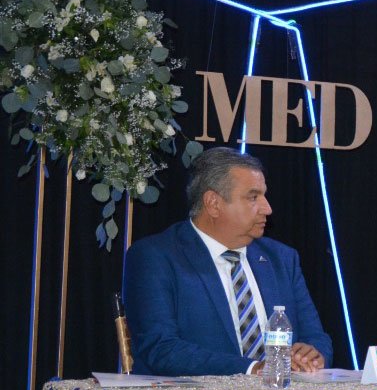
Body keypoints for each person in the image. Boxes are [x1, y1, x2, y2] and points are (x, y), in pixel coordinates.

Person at [124, 147, 333, 376]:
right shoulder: (156, 257)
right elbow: (161, 349)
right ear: (213, 203)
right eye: (253, 197)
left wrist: (312, 354)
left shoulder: (281, 259)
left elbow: (317, 338)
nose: (268, 208)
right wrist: (252, 369)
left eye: (264, 195)